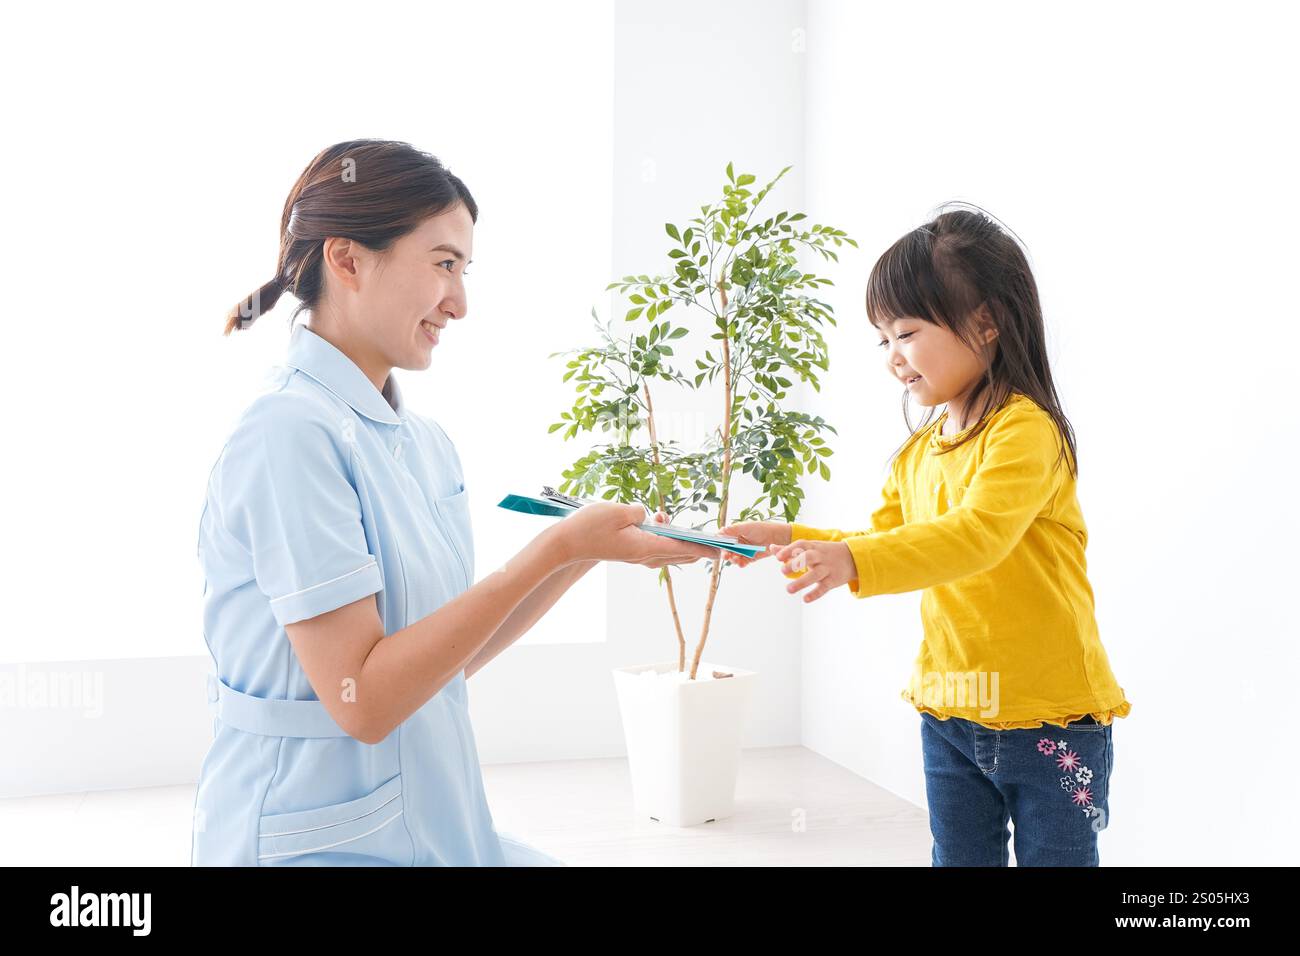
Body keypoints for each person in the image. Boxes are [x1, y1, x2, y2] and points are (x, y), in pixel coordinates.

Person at [192, 139, 719, 866]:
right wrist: (557, 547)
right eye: (444, 264)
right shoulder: (286, 436)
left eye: (465, 271)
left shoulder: (423, 441)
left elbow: (445, 661)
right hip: (315, 839)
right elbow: (366, 700)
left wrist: (584, 552)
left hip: (435, 824)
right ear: (347, 260)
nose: (460, 303)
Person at [719, 206, 1130, 866]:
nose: (892, 359)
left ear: (986, 323)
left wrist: (850, 558)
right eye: (881, 340)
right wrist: (793, 534)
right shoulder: (918, 453)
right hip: (950, 711)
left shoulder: (1026, 431)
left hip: (1055, 724)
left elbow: (974, 537)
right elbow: (889, 540)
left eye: (905, 332)